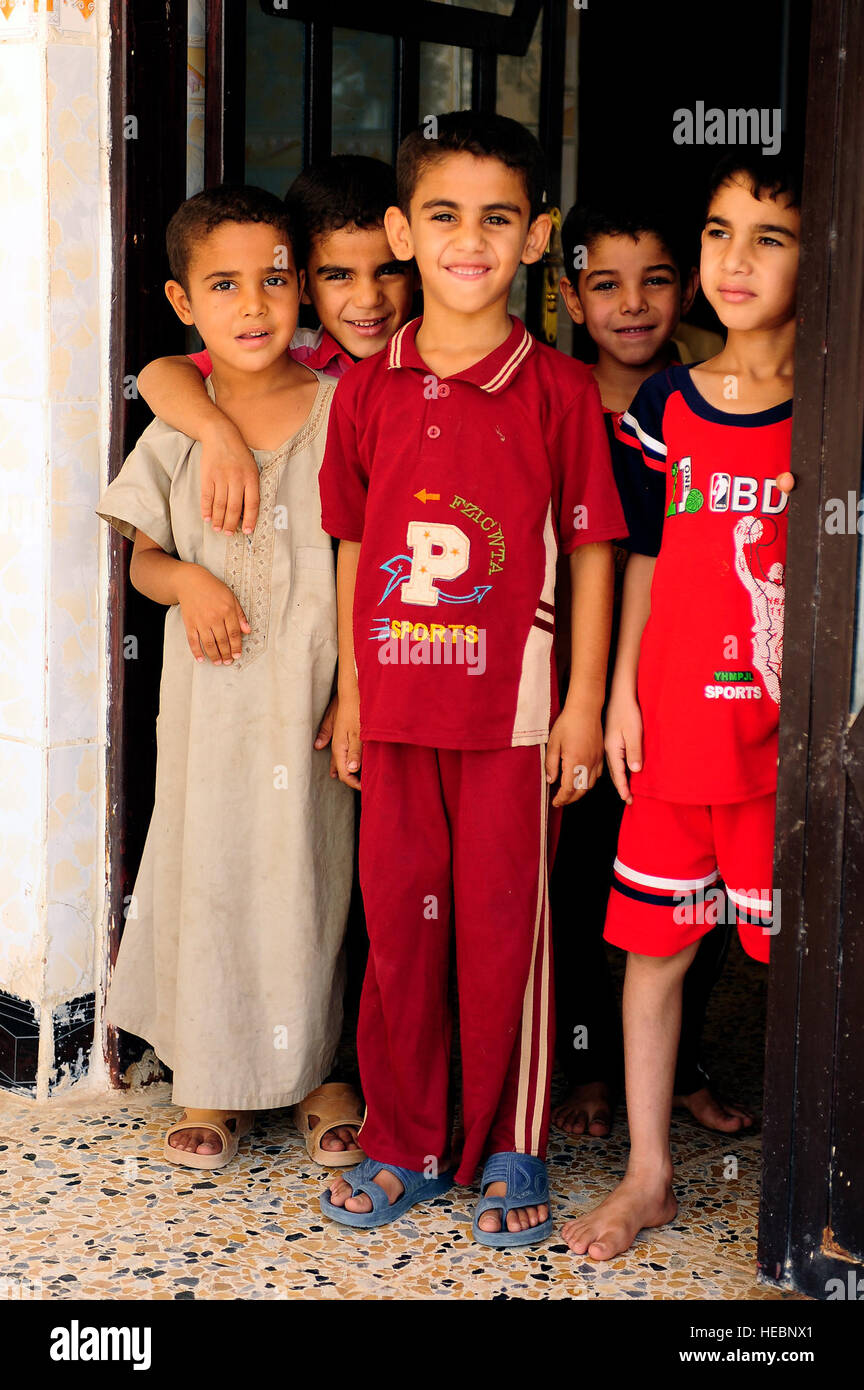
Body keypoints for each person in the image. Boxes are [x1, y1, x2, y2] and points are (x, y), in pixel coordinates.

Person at [317, 111, 626, 1247]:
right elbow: (353, 543)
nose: (470, 239)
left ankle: (510, 1139)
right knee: (402, 921)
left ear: (536, 236)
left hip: (515, 713)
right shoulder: (368, 387)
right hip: (395, 706)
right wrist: (353, 687)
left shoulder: (557, 388)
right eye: (443, 214)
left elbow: (593, 548)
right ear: (403, 230)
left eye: (499, 216)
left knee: (507, 925)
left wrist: (583, 701)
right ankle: (406, 1137)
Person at [562, 153, 800, 1260]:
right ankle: (650, 1175)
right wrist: (618, 695)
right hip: (671, 728)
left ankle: (811, 1180)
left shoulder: (835, 404)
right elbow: (647, 553)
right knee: (654, 952)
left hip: (782, 750)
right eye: (719, 232)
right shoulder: (669, 400)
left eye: (769, 237)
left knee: (794, 962)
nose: (734, 260)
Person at [96, 185, 356, 1170]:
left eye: (274, 280)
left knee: (313, 880)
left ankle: (319, 1074)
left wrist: (356, 688)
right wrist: (189, 580)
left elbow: (363, 558)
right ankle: (211, 1072)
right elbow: (141, 559)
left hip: (311, 705)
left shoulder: (341, 411)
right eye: (224, 285)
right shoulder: (179, 424)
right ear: (182, 301)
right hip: (211, 712)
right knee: (214, 876)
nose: (253, 305)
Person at [551, 203, 752, 1141]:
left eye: (657, 280)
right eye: (605, 284)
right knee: (587, 873)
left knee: (690, 893)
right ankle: (588, 1062)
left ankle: (683, 1064)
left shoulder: (709, 394)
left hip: (678, 693)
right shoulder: (549, 391)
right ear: (567, 295)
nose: (633, 305)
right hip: (565, 680)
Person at [135, 156, 416, 538]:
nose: (368, 298)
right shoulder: (289, 354)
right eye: (337, 275)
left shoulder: (433, 370)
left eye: (388, 270)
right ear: (304, 285)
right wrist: (217, 432)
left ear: (417, 271)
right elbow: (160, 375)